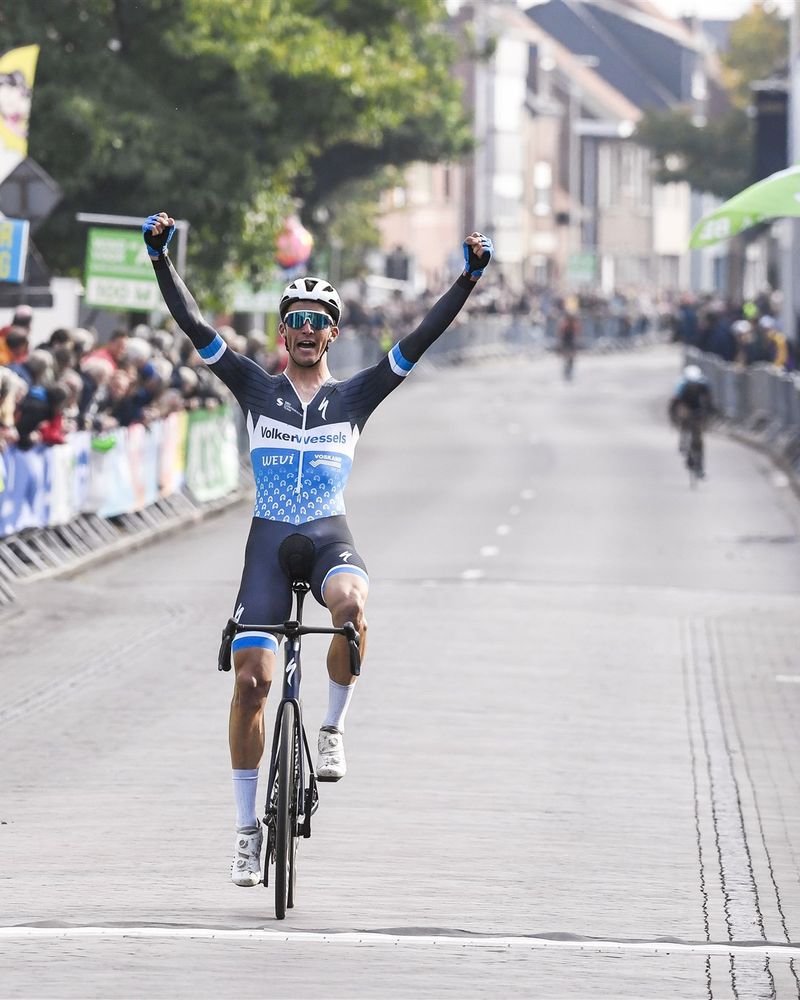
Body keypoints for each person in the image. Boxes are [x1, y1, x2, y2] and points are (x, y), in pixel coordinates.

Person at [142, 210, 493, 888]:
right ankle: (247, 829)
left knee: (352, 605)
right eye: (295, 321)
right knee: (252, 682)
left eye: (317, 322)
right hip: (268, 545)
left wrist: (468, 280)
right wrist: (160, 259)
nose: (306, 331)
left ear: (333, 333)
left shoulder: (357, 395)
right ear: (283, 333)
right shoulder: (254, 387)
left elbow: (420, 338)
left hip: (330, 535)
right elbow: (195, 327)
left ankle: (332, 727)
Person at [668, 364, 714, 478]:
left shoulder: (701, 384)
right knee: (687, 422)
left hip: (696, 409)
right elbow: (675, 403)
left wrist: (708, 413)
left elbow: (709, 402)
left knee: (697, 438)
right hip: (687, 407)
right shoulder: (683, 384)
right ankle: (686, 445)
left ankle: (698, 465)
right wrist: (674, 418)